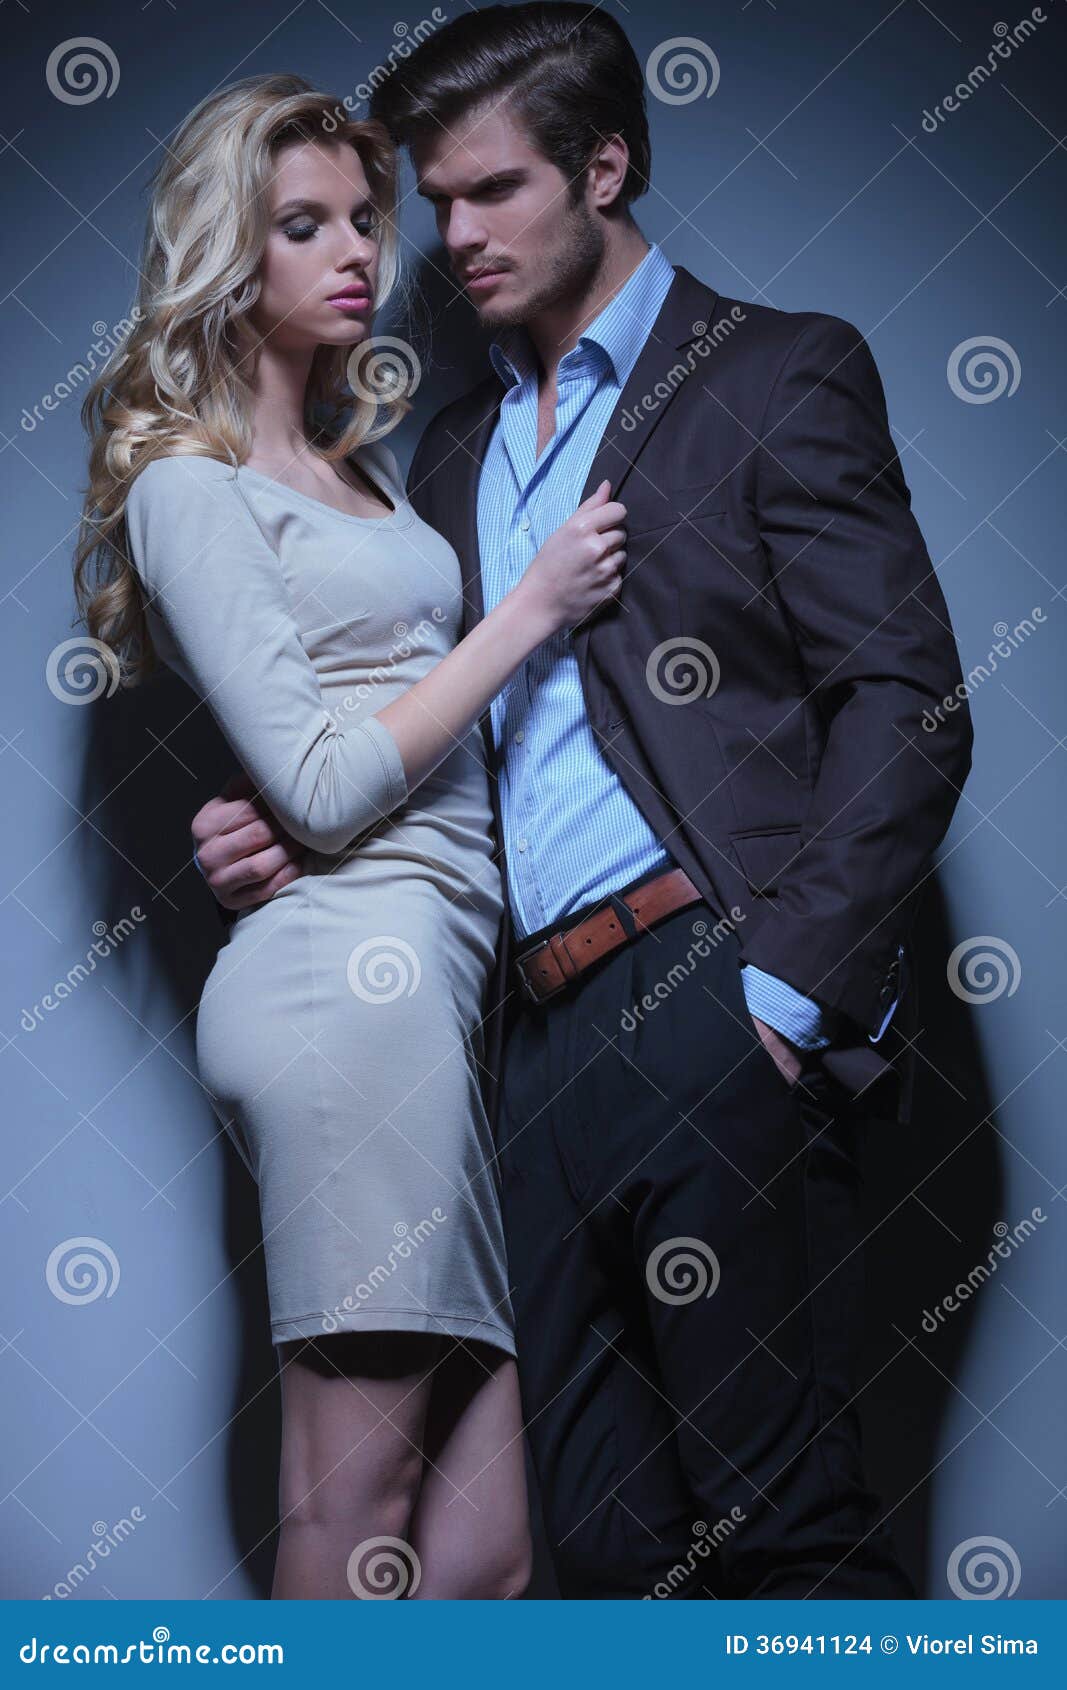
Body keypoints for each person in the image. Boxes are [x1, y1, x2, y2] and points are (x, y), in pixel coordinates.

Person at [192, 5, 974, 1598]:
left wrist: (783, 993)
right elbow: (454, 722)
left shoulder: (774, 371)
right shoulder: (461, 452)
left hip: (715, 998)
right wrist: (296, 824)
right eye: (439, 197)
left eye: (491, 191)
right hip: (528, 1060)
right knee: (603, 1550)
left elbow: (909, 700)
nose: (452, 234)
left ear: (605, 164)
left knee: (786, 1531)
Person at [73, 70, 629, 1600]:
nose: (355, 253)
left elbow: (343, 738)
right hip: (347, 991)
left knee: (489, 1551)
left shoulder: (365, 472)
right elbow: (318, 787)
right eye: (299, 224)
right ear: (222, 255)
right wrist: (530, 609)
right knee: (353, 1504)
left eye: (364, 220)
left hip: (444, 993)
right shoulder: (191, 488)